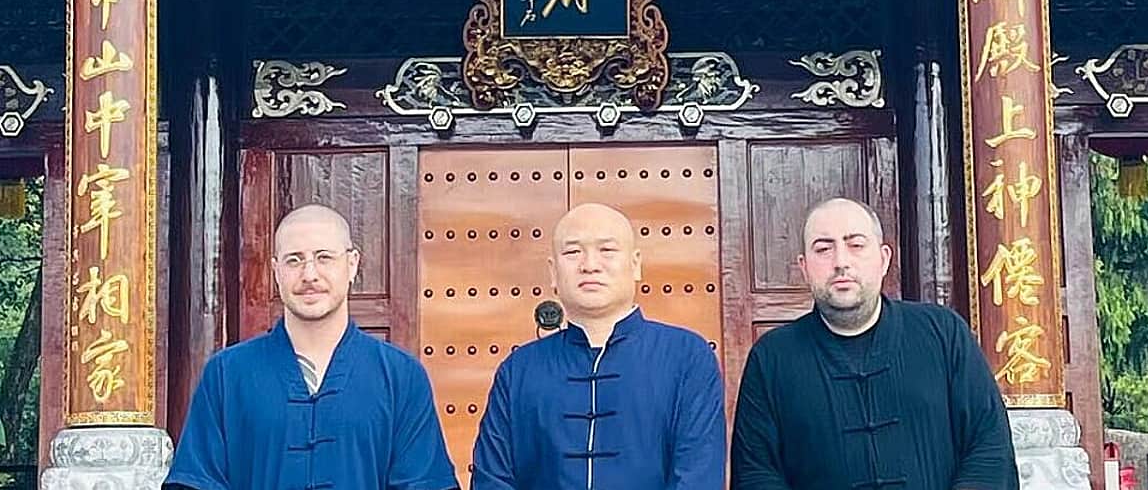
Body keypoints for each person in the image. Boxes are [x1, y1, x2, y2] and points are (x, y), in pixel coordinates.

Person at [731, 197, 1018, 490]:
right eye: (823, 249)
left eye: (855, 245)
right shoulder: (773, 358)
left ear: (883, 259)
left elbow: (988, 447)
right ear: (804, 267)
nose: (841, 262)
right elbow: (757, 473)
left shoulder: (943, 334)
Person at [165, 204, 457, 490]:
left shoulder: (400, 377)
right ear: (276, 271)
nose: (309, 275)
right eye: (294, 260)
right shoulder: (228, 375)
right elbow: (197, 481)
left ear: (352, 263)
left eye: (324, 258)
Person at [471, 203, 725, 490]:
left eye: (607, 250)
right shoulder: (518, 370)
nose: (590, 264)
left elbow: (697, 477)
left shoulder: (687, 357)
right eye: (572, 252)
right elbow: (492, 480)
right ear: (553, 272)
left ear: (635, 264)